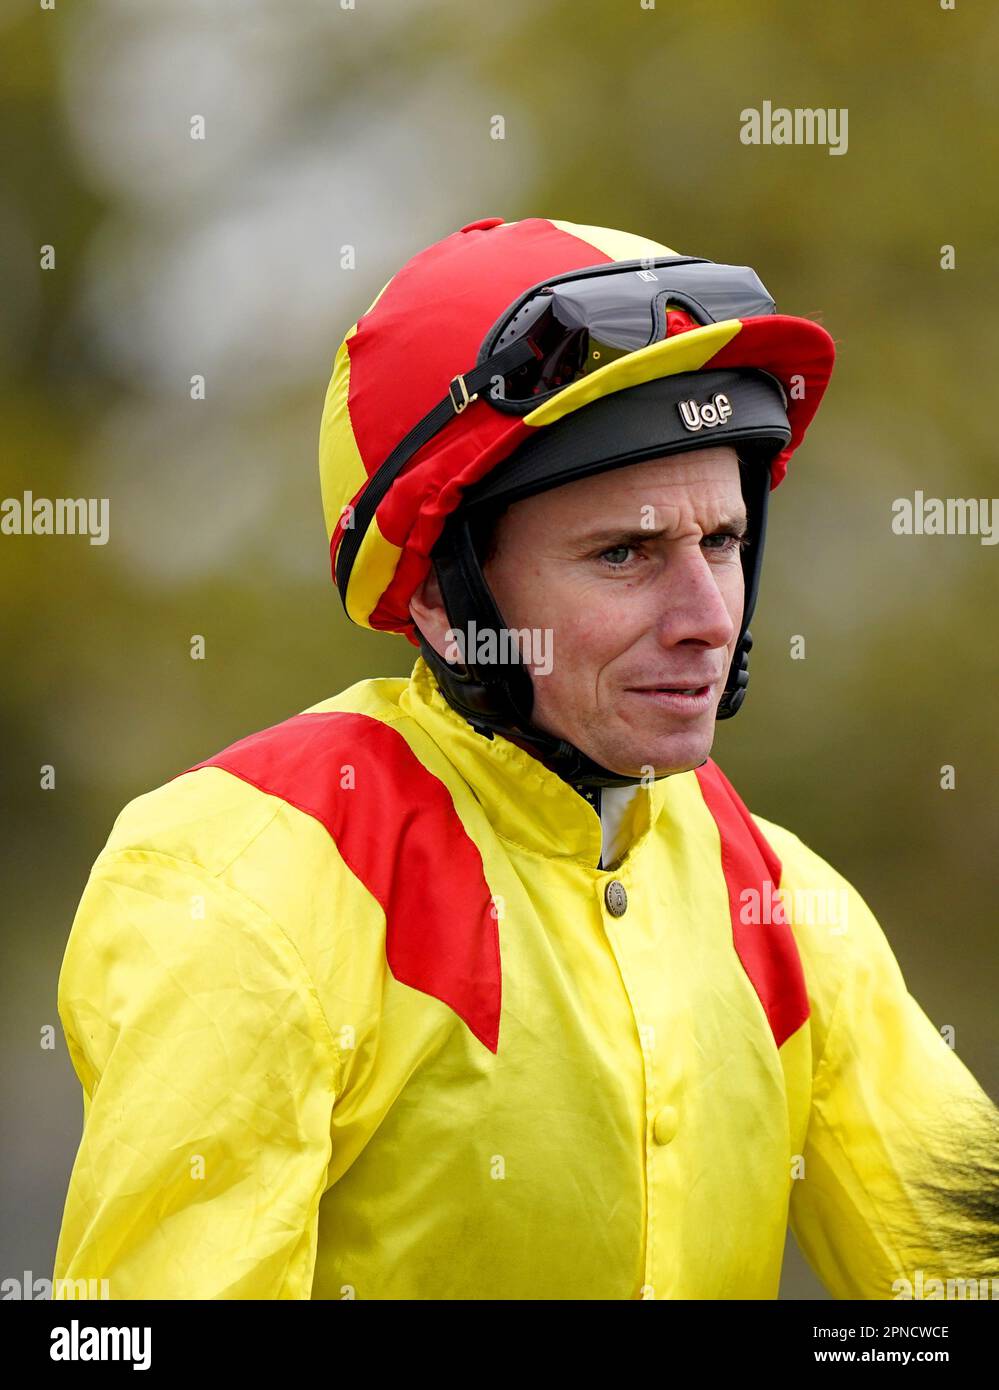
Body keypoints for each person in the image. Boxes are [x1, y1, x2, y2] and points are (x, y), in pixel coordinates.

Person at [53, 216, 995, 1300]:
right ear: (445, 600)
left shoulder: (784, 901)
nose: (707, 616)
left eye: (722, 543)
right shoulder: (239, 881)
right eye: (625, 553)